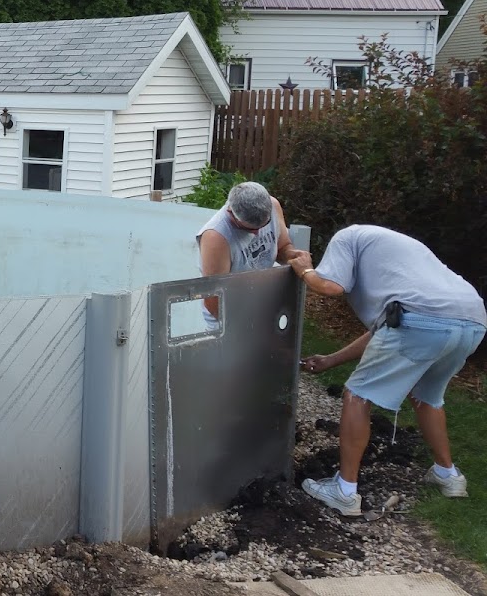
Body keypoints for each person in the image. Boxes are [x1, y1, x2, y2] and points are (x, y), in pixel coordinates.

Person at [288, 225, 485, 515]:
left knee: (357, 394)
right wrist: (331, 360)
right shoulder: (403, 252)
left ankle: (344, 491)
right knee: (427, 396)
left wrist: (304, 270)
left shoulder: (348, 237)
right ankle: (449, 476)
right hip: (472, 321)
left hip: (422, 320)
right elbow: (389, 330)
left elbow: (330, 286)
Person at [196, 182, 302, 328]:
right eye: (248, 229)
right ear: (230, 213)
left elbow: (283, 245)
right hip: (228, 320)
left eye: (263, 226)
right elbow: (213, 300)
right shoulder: (216, 237)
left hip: (260, 307)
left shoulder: (273, 206)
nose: (256, 233)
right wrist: (246, 326)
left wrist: (294, 257)